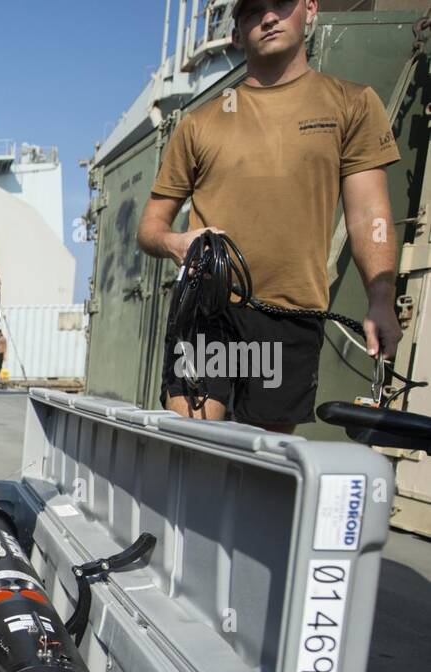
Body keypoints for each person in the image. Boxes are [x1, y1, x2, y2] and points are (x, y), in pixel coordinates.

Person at [137, 0, 402, 433]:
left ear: (310, 9)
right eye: (253, 10)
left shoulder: (351, 104)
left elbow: (369, 214)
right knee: (194, 449)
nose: (269, 17)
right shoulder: (199, 124)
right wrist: (176, 242)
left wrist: (380, 297)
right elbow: (150, 228)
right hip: (208, 308)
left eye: (281, 4)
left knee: (262, 468)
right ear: (237, 34)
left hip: (290, 315)